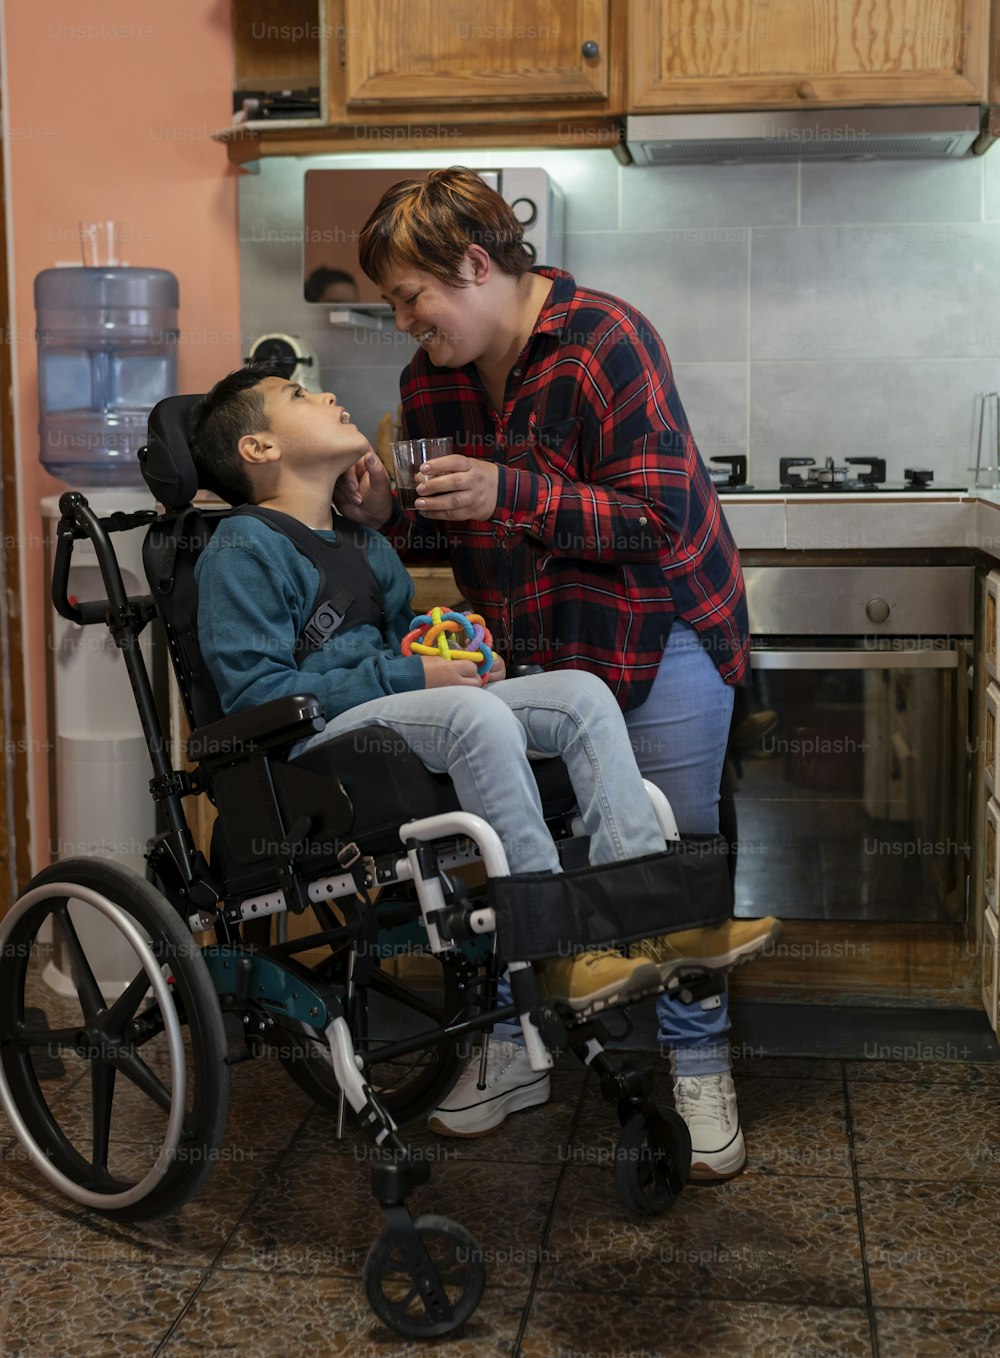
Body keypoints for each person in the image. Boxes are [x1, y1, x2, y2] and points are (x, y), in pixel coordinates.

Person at [332, 167, 782, 1179]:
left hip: (657, 632)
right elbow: (442, 513)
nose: (405, 322)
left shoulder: (605, 340)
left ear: (478, 265)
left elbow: (654, 518)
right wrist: (381, 515)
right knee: (510, 845)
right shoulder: (431, 379)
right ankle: (515, 1049)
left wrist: (512, 488)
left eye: (412, 297)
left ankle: (699, 1067)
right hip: (536, 648)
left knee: (669, 851)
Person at [189, 366, 766, 1125]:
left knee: (583, 696)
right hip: (314, 754)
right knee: (475, 717)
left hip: (398, 719)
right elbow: (258, 696)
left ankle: (651, 920)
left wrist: (454, 653)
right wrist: (417, 674)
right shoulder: (241, 549)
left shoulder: (362, 542)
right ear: (259, 447)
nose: (329, 394)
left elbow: (402, 643)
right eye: (299, 396)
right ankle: (557, 946)